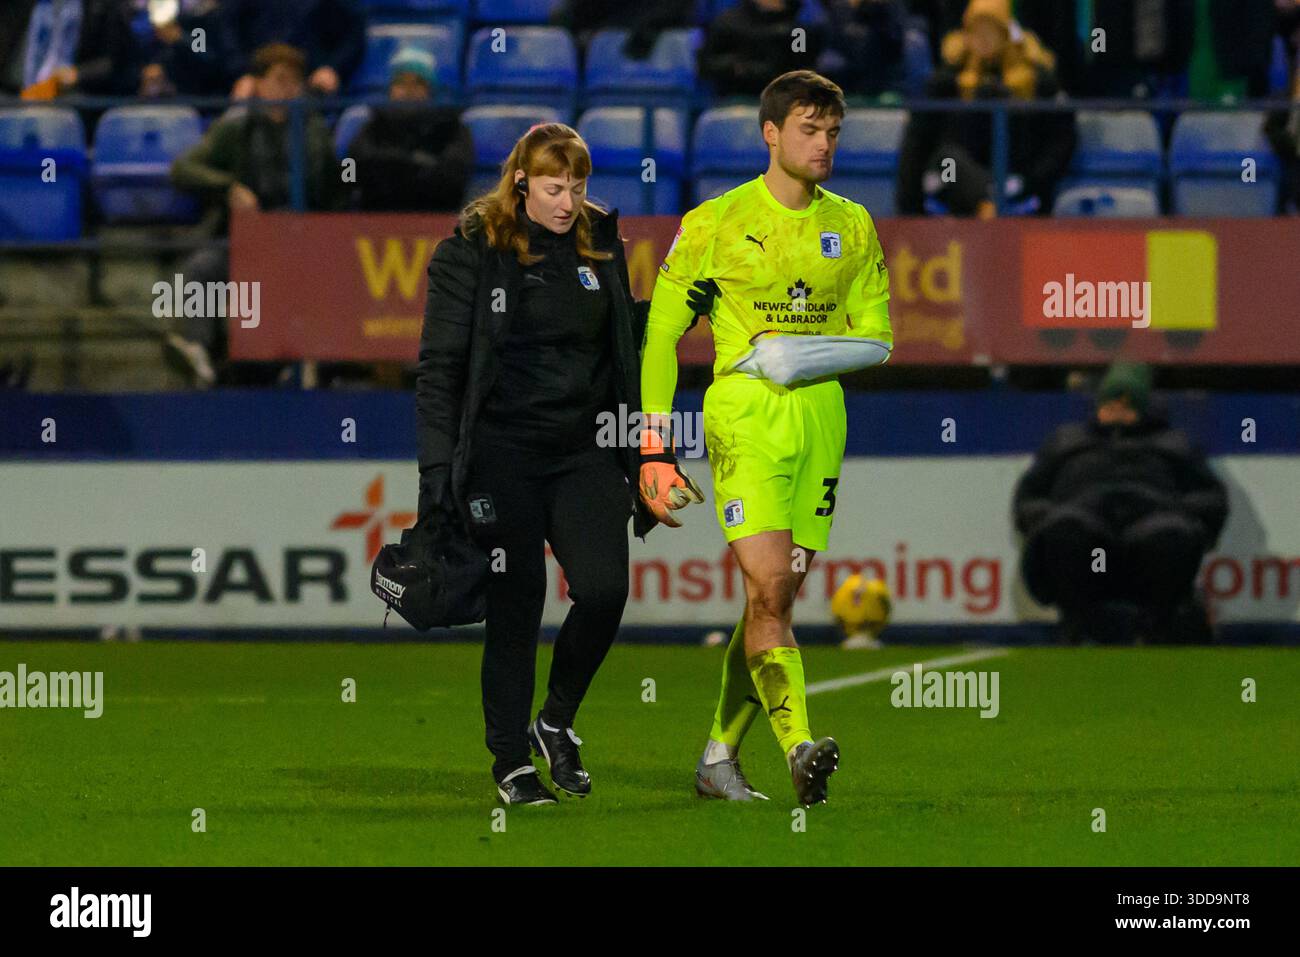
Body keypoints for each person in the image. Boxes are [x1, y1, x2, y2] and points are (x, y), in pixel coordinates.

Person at [641, 70, 893, 806]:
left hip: (821, 419)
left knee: (770, 600)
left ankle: (718, 755)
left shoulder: (851, 225)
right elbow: (660, 337)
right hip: (745, 414)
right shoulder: (713, 224)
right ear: (771, 134)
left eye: (834, 133)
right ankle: (799, 748)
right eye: (810, 131)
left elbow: (877, 339)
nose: (824, 145)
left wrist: (797, 352)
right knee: (771, 588)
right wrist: (654, 447)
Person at [414, 123, 660, 806]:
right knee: (516, 602)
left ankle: (555, 718)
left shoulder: (600, 238)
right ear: (521, 181)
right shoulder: (472, 249)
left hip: (582, 450)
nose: (567, 201)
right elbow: (439, 369)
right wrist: (437, 481)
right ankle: (510, 763)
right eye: (554, 187)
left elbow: (620, 338)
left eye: (577, 186)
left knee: (606, 589)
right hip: (500, 455)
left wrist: (672, 314)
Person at [1013, 363, 1229, 645]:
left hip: (1150, 532)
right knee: (1067, 531)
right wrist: (1046, 518)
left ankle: (1157, 625)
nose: (1116, 411)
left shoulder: (1174, 444)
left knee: (1169, 536)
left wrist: (1186, 518)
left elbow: (1209, 496)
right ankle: (1079, 622)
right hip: (1087, 534)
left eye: (1125, 404)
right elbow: (1030, 495)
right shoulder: (1067, 441)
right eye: (1111, 403)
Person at [169, 43, 343, 386]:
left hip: (300, 241)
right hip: (247, 240)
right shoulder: (237, 128)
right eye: (279, 79)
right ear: (259, 85)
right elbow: (182, 169)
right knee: (201, 267)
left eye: (294, 82)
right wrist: (228, 187)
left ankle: (307, 363)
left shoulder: (315, 132)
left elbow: (333, 193)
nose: (287, 89)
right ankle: (195, 351)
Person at [896, 0, 1075, 218]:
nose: (983, 39)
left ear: (1005, 33)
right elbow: (917, 141)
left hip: (1017, 182)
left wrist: (1032, 180)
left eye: (990, 30)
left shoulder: (1038, 79)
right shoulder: (946, 80)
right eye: (976, 31)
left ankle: (992, 205)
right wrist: (909, 211)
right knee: (950, 159)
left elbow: (1062, 138)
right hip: (951, 182)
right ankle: (989, 205)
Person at [347, 47, 472, 213]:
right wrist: (416, 164)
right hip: (376, 220)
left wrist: (391, 167)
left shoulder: (451, 128)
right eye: (401, 83)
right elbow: (350, 173)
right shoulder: (373, 126)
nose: (408, 90)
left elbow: (453, 178)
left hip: (435, 221)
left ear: (430, 91)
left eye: (417, 83)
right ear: (390, 90)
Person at [699, 0, 815, 99]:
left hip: (784, 98)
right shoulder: (729, 23)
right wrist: (737, 67)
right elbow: (706, 64)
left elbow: (803, 67)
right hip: (736, 96)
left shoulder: (798, 30)